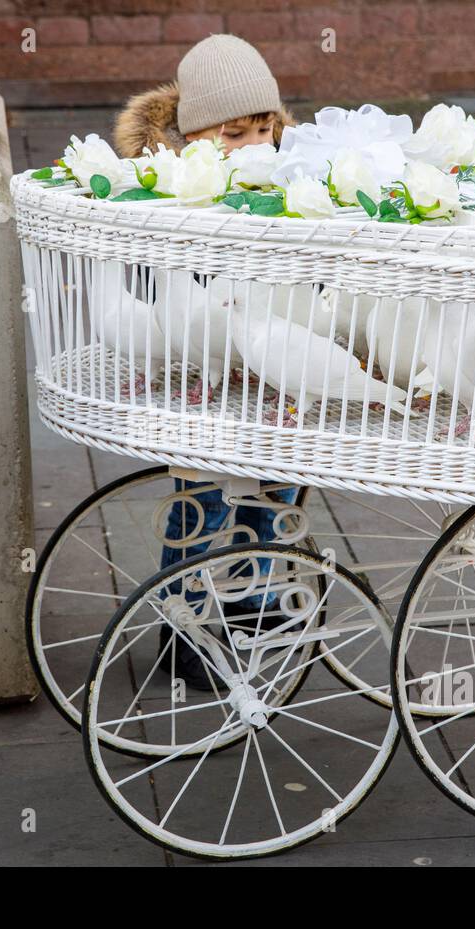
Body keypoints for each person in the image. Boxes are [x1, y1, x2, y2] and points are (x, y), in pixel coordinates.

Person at [112, 35, 304, 688]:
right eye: (232, 134)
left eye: (263, 130)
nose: (252, 146)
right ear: (196, 139)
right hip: (207, 373)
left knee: (278, 482)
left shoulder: (283, 182)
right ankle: (182, 624)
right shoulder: (185, 196)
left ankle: (250, 595)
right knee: (204, 496)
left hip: (268, 363)